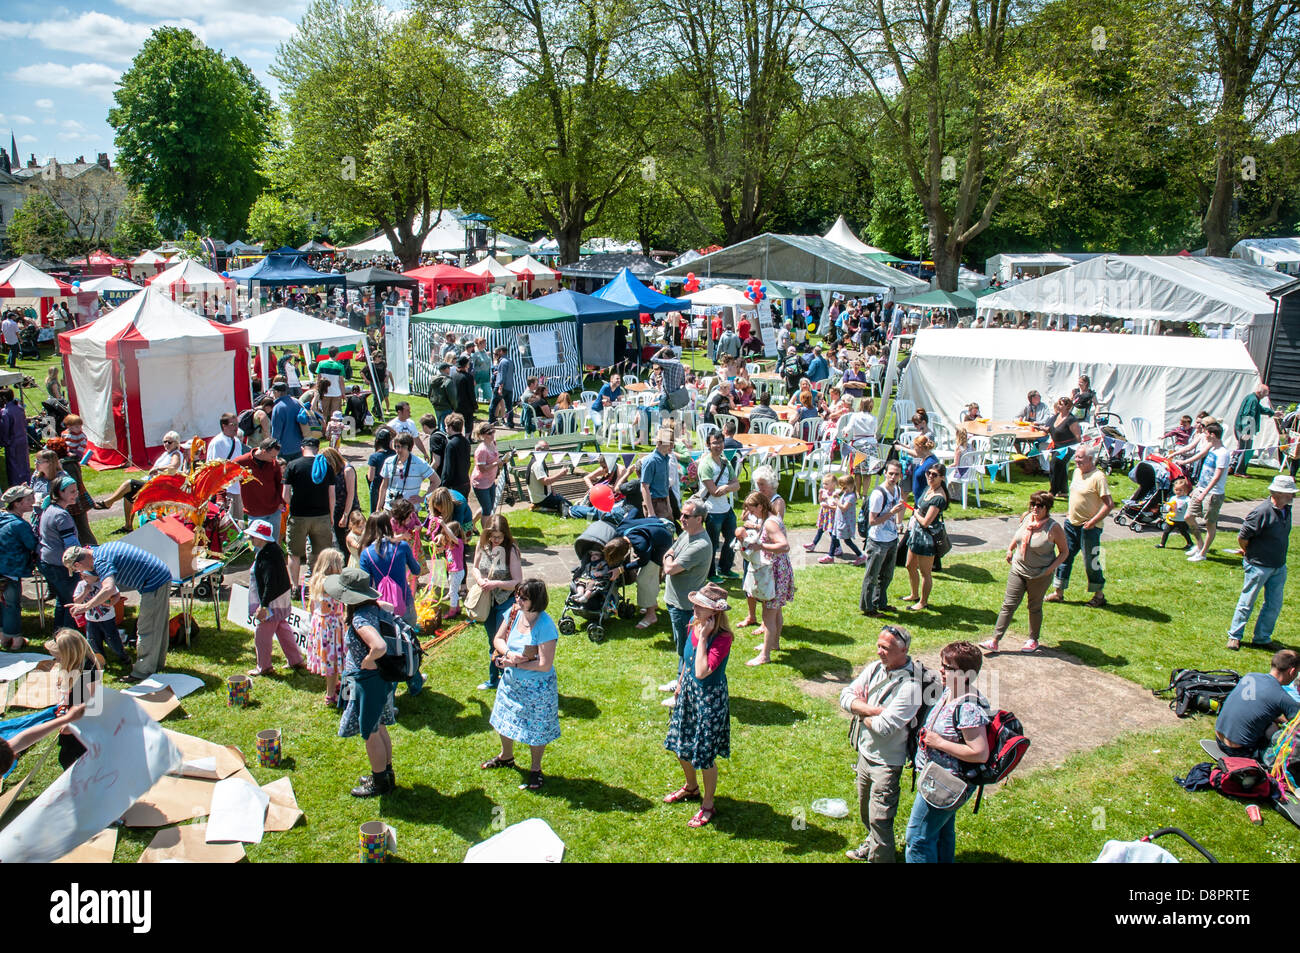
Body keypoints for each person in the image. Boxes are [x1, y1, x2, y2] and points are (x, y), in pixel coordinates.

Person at [841, 624, 922, 862]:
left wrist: (859, 710)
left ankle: (882, 857)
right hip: (865, 754)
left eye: (885, 648)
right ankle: (871, 843)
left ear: (903, 650)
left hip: (887, 762)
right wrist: (872, 711)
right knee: (866, 811)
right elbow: (845, 696)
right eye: (878, 645)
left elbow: (884, 728)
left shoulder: (912, 687)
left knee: (881, 819)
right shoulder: (875, 668)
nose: (879, 652)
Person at [905, 641, 991, 863]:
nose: (941, 670)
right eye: (942, 665)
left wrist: (938, 742)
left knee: (918, 839)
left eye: (948, 667)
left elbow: (980, 753)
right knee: (942, 832)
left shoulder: (969, 708)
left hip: (944, 784)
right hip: (938, 780)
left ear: (965, 674)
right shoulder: (951, 691)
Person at [663, 581, 733, 828]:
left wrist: (703, 638)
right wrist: (680, 684)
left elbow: (702, 671)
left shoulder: (722, 638)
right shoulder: (694, 625)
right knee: (680, 744)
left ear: (715, 613)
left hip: (709, 699)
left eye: (700, 606)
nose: (694, 608)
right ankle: (691, 787)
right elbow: (687, 661)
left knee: (704, 755)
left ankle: (708, 804)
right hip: (689, 693)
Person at [480, 578, 561, 791]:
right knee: (504, 719)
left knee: (536, 727)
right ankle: (506, 756)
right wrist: (508, 654)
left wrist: (516, 663)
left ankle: (535, 768)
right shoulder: (514, 613)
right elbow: (497, 639)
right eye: (517, 595)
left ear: (536, 600)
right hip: (510, 683)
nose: (517, 599)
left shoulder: (545, 625)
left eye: (523, 597)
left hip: (537, 689)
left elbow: (544, 665)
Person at [325, 567, 399, 797]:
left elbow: (379, 646)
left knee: (370, 732)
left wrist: (368, 660)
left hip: (368, 681)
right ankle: (386, 774)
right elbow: (389, 608)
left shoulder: (359, 618)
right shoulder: (372, 608)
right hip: (381, 679)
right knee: (379, 726)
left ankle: (378, 783)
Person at [64, 542, 172, 682]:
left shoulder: (100, 561)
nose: (81, 573)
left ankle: (142, 672)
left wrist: (86, 607)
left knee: (147, 628)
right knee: (158, 624)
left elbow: (108, 588)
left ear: (78, 565)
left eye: (77, 570)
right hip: (159, 576)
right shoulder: (97, 551)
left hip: (155, 582)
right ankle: (155, 665)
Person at [981, 491, 1069, 653]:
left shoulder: (1053, 528)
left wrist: (1050, 569)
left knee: (1034, 607)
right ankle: (994, 640)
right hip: (1018, 570)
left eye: (1039, 505)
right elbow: (1018, 535)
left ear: (1047, 508)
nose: (1035, 508)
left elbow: (1064, 552)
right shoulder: (1027, 517)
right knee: (1008, 604)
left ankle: (1033, 639)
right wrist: (1010, 549)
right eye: (1033, 504)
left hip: (1039, 575)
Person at [1226, 474, 1294, 650]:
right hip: (1258, 565)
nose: (1292, 496)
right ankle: (1235, 635)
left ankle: (1262, 638)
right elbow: (1243, 537)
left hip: (1278, 565)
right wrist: (1249, 552)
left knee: (1274, 604)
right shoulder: (1261, 512)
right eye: (1289, 493)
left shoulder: (1287, 509)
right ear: (1277, 493)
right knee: (1247, 601)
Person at [658, 501, 714, 705]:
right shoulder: (687, 534)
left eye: (686, 516)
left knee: (688, 650)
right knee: (681, 646)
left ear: (699, 519)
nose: (681, 519)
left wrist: (669, 561)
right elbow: (669, 552)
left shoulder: (700, 544)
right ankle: (680, 680)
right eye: (681, 515)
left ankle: (683, 692)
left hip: (685, 607)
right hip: (675, 602)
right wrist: (669, 559)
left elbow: (670, 569)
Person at [1045, 447, 1112, 607]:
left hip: (1090, 528)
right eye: (1076, 458)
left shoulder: (1098, 477)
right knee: (1063, 556)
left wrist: (1093, 522)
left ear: (1091, 459)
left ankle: (1099, 595)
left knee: (1092, 561)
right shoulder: (1076, 472)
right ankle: (1058, 592)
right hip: (1071, 524)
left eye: (1080, 458)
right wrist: (1069, 514)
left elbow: (1109, 504)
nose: (1076, 461)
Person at [245, 518, 307, 677]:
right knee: (282, 628)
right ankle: (295, 660)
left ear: (260, 537)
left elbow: (269, 582)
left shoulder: (267, 555)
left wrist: (263, 606)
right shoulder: (273, 550)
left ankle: (264, 666)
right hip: (281, 597)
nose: (251, 539)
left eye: (253, 536)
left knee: (262, 633)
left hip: (272, 600)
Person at [1213, 649, 1300, 759]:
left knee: (1271, 724)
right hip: (1239, 751)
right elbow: (1297, 726)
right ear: (1292, 671)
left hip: (1219, 738)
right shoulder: (1282, 697)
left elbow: (1254, 708)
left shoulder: (1250, 677)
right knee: (1276, 734)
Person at [472, 514, 523, 691]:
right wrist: (479, 580)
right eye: (493, 537)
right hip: (487, 601)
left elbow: (517, 581)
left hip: (505, 602)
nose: (495, 540)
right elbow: (475, 568)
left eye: (499, 537)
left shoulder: (511, 550)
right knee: (492, 641)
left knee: (504, 641)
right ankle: (494, 679)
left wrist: (496, 584)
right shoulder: (483, 545)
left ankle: (509, 679)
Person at [741, 492, 793, 667]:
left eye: (752, 510)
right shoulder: (771, 518)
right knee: (776, 610)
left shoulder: (770, 523)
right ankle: (774, 644)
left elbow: (784, 545)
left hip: (774, 571)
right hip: (780, 569)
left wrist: (760, 546)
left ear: (760, 506)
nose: (751, 514)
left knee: (768, 614)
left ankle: (765, 655)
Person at [283, 439, 336, 590]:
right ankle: (320, 585)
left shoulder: (292, 465)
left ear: (302, 448)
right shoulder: (326, 466)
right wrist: (331, 515)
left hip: (298, 516)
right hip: (322, 515)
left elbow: (285, 495)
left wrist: (293, 505)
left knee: (294, 554)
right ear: (318, 449)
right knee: (322, 554)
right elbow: (331, 495)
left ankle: (294, 587)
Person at [859, 460, 906, 616]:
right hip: (878, 540)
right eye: (890, 473)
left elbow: (898, 510)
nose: (893, 477)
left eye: (896, 474)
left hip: (892, 538)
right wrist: (891, 513)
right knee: (872, 576)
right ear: (885, 473)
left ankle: (880, 602)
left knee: (887, 575)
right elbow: (872, 521)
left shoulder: (897, 490)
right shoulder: (878, 494)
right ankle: (867, 607)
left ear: (900, 476)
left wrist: (899, 522)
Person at [37, 476, 82, 631]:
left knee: (62, 600)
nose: (76, 494)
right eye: (72, 491)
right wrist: (80, 563)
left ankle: (58, 632)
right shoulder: (61, 515)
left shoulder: (49, 509)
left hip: (48, 563)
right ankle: (69, 638)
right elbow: (71, 546)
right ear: (60, 493)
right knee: (72, 602)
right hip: (61, 565)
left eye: (76, 491)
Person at [307, 547, 348, 706]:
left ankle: (334, 685)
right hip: (331, 626)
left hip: (320, 623)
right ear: (332, 565)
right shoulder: (332, 583)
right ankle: (330, 695)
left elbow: (311, 605)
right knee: (333, 661)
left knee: (330, 659)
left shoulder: (316, 579)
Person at [903, 464, 948, 611]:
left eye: (935, 475)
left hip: (927, 538)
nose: (930, 476)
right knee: (909, 565)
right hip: (916, 534)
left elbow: (925, 522)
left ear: (942, 478)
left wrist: (915, 514)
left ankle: (923, 602)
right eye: (929, 473)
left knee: (925, 573)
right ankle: (914, 594)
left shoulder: (939, 498)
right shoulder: (928, 489)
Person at [698, 431, 740, 581]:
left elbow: (737, 484)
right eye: (714, 443)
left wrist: (726, 488)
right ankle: (710, 574)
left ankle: (725, 568)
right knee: (712, 544)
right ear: (708, 445)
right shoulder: (705, 465)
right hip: (711, 511)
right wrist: (728, 487)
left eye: (720, 442)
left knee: (732, 540)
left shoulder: (725, 462)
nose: (718, 445)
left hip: (726, 509)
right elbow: (714, 492)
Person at [1186, 421, 1231, 563]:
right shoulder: (1211, 448)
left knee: (1209, 523)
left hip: (1213, 494)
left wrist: (1204, 493)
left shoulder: (1223, 453)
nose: (1204, 436)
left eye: (1206, 433)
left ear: (1212, 435)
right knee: (1188, 516)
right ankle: (1199, 545)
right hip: (1201, 488)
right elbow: (1202, 462)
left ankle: (1203, 553)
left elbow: (1217, 476)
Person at [0, 485, 37, 649]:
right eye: (28, 500)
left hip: (3, 570)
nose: (32, 502)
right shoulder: (20, 525)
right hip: (10, 572)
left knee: (3, 604)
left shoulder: (3, 519)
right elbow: (32, 544)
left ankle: (3, 636)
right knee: (12, 605)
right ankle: (14, 639)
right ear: (17, 503)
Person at [234, 439, 284, 540]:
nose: (274, 459)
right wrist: (220, 498)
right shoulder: (241, 462)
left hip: (274, 511)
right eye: (272, 456)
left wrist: (280, 501)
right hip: (255, 513)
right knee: (258, 546)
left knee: (273, 543)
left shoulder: (274, 464)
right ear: (264, 451)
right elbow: (223, 478)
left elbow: (280, 484)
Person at [377, 432, 436, 510]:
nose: (399, 450)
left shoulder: (420, 463)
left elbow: (436, 481)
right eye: (397, 446)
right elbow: (384, 486)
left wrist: (422, 498)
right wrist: (378, 508)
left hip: (409, 510)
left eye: (403, 447)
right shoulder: (389, 461)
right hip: (390, 508)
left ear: (409, 447)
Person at [206, 412, 248, 521]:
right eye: (232, 425)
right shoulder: (217, 442)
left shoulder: (237, 441)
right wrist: (220, 493)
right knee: (226, 523)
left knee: (238, 522)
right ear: (224, 426)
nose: (236, 428)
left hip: (236, 488)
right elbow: (214, 468)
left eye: (237, 424)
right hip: (225, 490)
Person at [321, 446, 361, 557]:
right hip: (337, 509)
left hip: (349, 509)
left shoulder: (347, 470)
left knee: (351, 540)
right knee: (341, 541)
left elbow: (351, 494)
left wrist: (345, 515)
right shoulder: (333, 471)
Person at [821, 473, 864, 564]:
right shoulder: (846, 493)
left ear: (850, 485)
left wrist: (836, 501)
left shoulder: (851, 496)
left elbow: (844, 508)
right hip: (839, 521)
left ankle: (861, 555)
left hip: (845, 523)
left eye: (844, 487)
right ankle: (830, 556)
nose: (842, 489)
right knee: (834, 537)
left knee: (847, 541)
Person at [1232, 382, 1274, 476]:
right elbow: (1248, 415)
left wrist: (1273, 413)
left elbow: (1261, 409)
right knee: (1246, 450)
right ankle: (1240, 471)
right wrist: (1246, 431)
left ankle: (1233, 467)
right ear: (1260, 392)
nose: (1265, 396)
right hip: (1246, 429)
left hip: (1242, 427)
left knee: (1241, 448)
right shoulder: (1253, 400)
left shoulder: (1252, 398)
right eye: (1265, 394)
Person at [1046, 397, 1083, 496]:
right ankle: (1064, 491)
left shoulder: (1071, 420)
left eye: (1061, 404)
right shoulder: (1056, 416)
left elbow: (1078, 437)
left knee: (1055, 464)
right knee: (1060, 467)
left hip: (1067, 447)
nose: (1058, 406)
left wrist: (1078, 450)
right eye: (1058, 404)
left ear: (1067, 406)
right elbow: (1048, 427)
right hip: (1056, 446)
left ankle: (1053, 491)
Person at [526, 439, 571, 516]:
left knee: (564, 502)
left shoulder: (538, 459)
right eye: (545, 450)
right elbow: (545, 481)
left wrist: (552, 489)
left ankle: (538, 506)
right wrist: (561, 474)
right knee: (568, 506)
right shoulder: (537, 463)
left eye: (548, 450)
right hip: (542, 498)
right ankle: (539, 507)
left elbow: (545, 479)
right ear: (537, 449)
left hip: (541, 496)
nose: (547, 452)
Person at [640, 429, 675, 520]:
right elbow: (644, 487)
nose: (672, 446)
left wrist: (669, 505)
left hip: (664, 503)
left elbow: (665, 484)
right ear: (659, 442)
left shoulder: (666, 459)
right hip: (654, 503)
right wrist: (651, 512)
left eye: (673, 443)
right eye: (669, 443)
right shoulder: (650, 461)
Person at [471, 422, 501, 521]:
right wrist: (497, 463)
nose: (492, 435)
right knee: (487, 510)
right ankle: (486, 534)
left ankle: (472, 524)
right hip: (481, 483)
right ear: (483, 435)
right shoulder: (482, 450)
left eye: (493, 432)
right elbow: (482, 469)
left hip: (490, 481)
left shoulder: (493, 443)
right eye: (489, 433)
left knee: (489, 507)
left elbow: (495, 457)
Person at [439, 413, 472, 499]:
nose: (445, 428)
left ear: (450, 427)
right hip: (465, 482)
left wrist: (443, 485)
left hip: (454, 486)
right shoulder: (466, 441)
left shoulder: (451, 444)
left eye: (446, 426)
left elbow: (448, 469)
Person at [1156, 477, 1194, 549]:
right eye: (1176, 490)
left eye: (1180, 490)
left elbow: (1190, 507)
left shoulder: (1186, 499)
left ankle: (1190, 543)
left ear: (1185, 490)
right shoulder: (1173, 498)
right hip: (1172, 519)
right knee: (1166, 531)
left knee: (1184, 532)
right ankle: (1162, 544)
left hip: (1181, 520)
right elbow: (1168, 506)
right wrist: (1168, 508)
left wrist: (1189, 514)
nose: (1178, 491)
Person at [270, 381, 304, 461]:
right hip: (299, 446)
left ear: (277, 392)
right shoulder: (296, 402)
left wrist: (272, 448)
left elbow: (276, 432)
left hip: (284, 449)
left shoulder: (278, 407)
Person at [489, 345, 517, 428]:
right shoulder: (510, 361)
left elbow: (503, 376)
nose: (496, 354)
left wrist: (500, 388)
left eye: (497, 352)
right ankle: (510, 423)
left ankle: (492, 421)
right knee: (509, 407)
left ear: (501, 351)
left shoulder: (503, 361)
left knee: (493, 405)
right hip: (509, 386)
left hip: (501, 386)